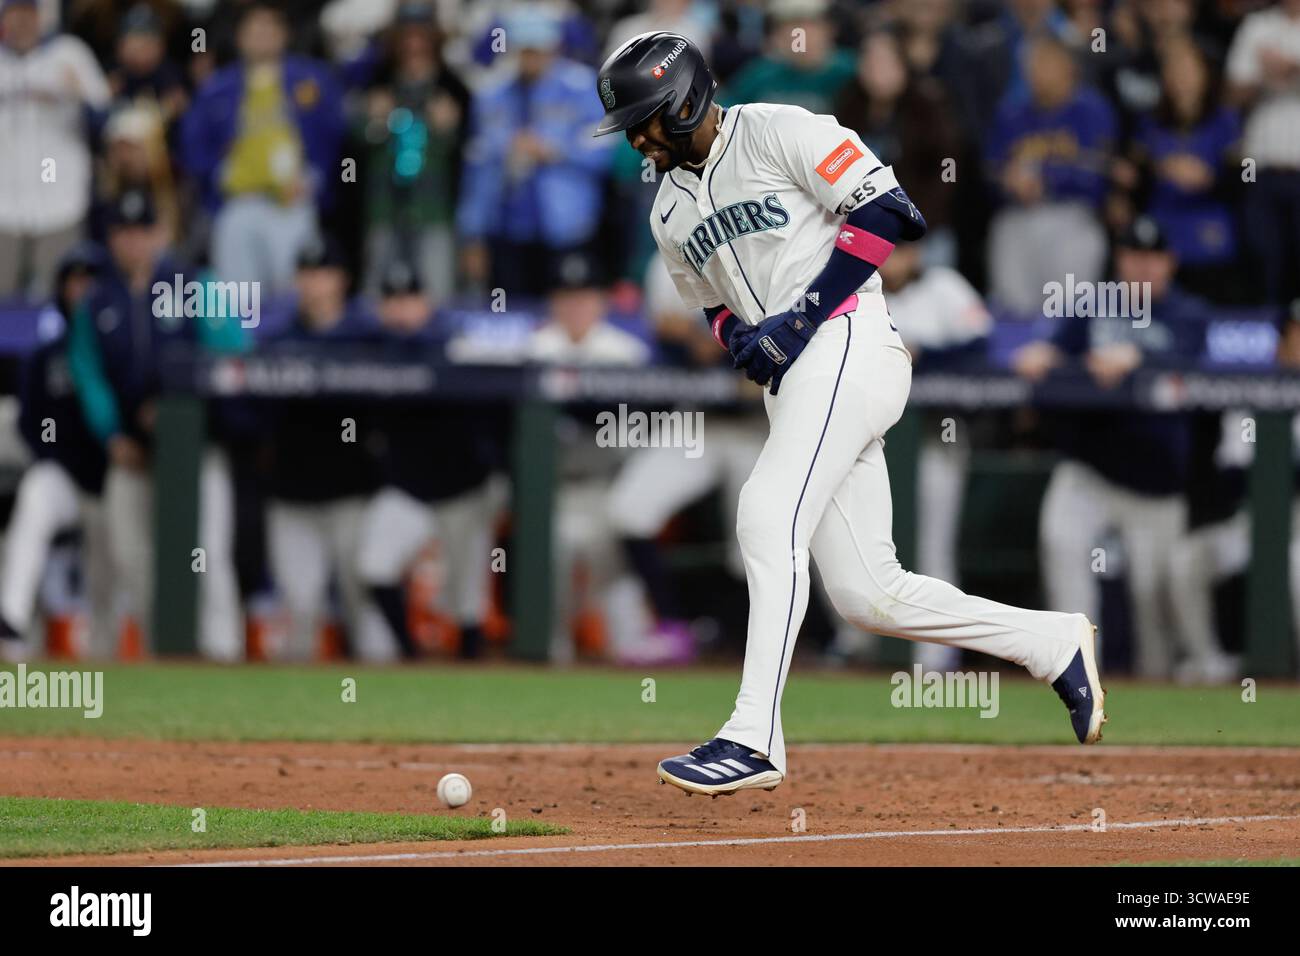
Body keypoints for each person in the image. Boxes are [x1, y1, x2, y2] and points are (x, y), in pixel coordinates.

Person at [594, 32, 1106, 797]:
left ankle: (752, 736)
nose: (637, 136)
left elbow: (891, 212)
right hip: (797, 382)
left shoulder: (780, 128)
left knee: (766, 514)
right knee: (870, 593)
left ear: (689, 98)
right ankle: (1051, 642)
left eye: (646, 117)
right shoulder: (667, 206)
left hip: (848, 343)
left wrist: (796, 320)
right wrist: (743, 340)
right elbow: (710, 307)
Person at [1011, 216, 1216, 679]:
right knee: (1061, 541)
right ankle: (1075, 670)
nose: (1142, 266)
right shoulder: (1095, 305)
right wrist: (1048, 358)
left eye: (1152, 257)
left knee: (1152, 602)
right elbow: (1051, 354)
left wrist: (1140, 358)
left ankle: (1156, 705)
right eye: (1133, 256)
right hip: (1093, 467)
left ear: (1170, 262)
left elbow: (1198, 362)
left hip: (1156, 483)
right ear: (1120, 259)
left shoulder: (1187, 311)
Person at [66, 189, 246, 660]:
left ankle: (223, 653)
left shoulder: (194, 284)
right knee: (131, 555)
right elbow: (89, 375)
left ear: (162, 232)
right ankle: (162, 654)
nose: (134, 241)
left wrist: (173, 407)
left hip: (193, 445)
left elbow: (232, 360)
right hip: (130, 448)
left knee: (206, 552)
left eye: (144, 230)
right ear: (111, 238)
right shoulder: (98, 298)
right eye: (124, 232)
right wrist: (113, 435)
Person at [355, 260, 505, 661]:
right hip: (409, 489)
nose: (401, 309)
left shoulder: (454, 341)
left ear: (427, 302)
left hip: (465, 490)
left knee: (467, 596)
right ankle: (410, 657)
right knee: (374, 564)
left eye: (410, 299)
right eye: (392, 300)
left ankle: (469, 673)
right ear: (380, 306)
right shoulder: (369, 348)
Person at [261, 237, 382, 661]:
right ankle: (296, 722)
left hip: (353, 494)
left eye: (323, 273)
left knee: (363, 609)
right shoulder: (277, 341)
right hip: (292, 494)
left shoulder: (370, 336)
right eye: (307, 274)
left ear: (342, 280)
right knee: (299, 610)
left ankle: (389, 718)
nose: (314, 284)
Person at [180, 1, 344, 294]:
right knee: (238, 300)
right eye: (254, 29)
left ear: (285, 35)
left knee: (292, 294)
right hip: (238, 202)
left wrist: (316, 179)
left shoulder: (311, 79)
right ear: (239, 37)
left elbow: (334, 135)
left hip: (291, 203)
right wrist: (216, 178)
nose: (262, 36)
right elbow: (193, 143)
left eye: (270, 28)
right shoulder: (218, 86)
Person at [0, 246, 112, 662]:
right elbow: (30, 423)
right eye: (75, 282)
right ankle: (10, 623)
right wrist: (57, 454)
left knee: (111, 565)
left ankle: (113, 647)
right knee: (36, 495)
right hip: (66, 475)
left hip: (114, 477)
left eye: (92, 282)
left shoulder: (118, 345)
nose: (82, 290)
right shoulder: (46, 355)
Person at [457, 5, 615, 299]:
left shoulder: (580, 87)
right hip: (507, 229)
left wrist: (554, 151)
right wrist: (473, 234)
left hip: (566, 226)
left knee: (564, 316)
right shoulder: (492, 95)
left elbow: (606, 152)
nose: (531, 58)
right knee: (512, 316)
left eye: (538, 49)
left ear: (554, 46)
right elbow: (478, 168)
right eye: (524, 49)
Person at [985, 34, 1115, 315]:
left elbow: (1099, 172)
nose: (1035, 71)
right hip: (1018, 217)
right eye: (1031, 64)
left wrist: (1047, 178)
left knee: (1066, 309)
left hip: (1072, 216)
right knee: (1013, 307)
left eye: (1045, 62)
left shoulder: (1091, 110)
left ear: (1068, 66)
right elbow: (989, 172)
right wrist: (1008, 182)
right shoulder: (1011, 113)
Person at [355, 4, 470, 301]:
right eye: (406, 38)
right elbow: (353, 148)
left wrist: (449, 130)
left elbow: (470, 157)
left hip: (434, 211)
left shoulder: (455, 89)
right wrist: (373, 123)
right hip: (384, 209)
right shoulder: (375, 86)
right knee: (375, 296)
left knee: (438, 297)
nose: (414, 46)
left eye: (422, 37)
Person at [0, 0, 111, 299]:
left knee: (58, 302)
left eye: (28, 14)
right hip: (4, 206)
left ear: (40, 17)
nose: (22, 23)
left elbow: (107, 123)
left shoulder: (69, 53)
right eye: (15, 15)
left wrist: (79, 95)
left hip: (60, 202)